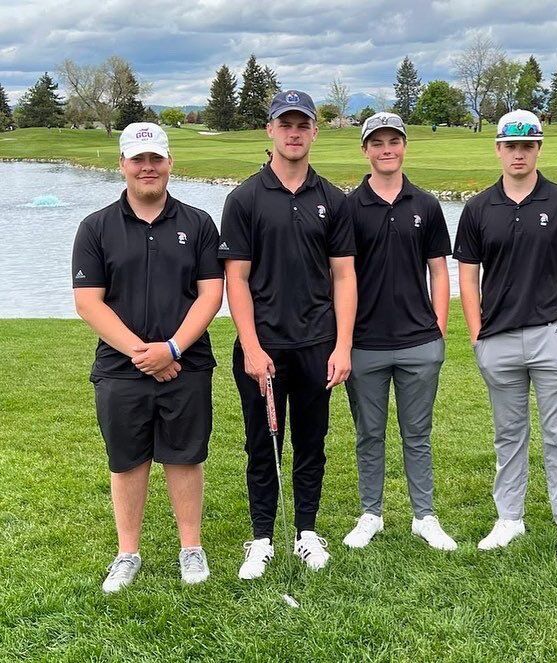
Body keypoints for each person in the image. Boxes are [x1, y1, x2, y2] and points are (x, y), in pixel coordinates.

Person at [72, 122, 224, 593]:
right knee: (127, 460)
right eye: (138, 159)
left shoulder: (198, 223)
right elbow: (88, 302)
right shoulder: (96, 227)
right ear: (122, 164)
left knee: (184, 456)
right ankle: (127, 553)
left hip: (186, 362)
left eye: (156, 158)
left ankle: (191, 548)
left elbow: (210, 294)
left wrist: (172, 348)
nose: (147, 167)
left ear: (170, 162)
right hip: (121, 367)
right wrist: (145, 354)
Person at [219, 89, 357, 578]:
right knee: (262, 444)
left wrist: (343, 345)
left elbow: (344, 275)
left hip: (318, 345)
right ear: (270, 130)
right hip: (264, 348)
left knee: (312, 442)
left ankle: (306, 532)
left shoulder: (333, 200)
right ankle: (261, 538)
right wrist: (251, 347)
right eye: (285, 124)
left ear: (314, 132)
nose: (294, 133)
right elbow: (236, 278)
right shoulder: (245, 198)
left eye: (302, 125)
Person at [454, 109, 557, 566]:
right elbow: (467, 277)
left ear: (538, 149)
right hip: (498, 338)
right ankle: (509, 518)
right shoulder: (478, 208)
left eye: (527, 146)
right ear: (498, 149)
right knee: (508, 434)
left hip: (552, 333)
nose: (519, 154)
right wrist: (477, 336)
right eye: (510, 146)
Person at [341, 112, 456, 551]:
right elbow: (340, 276)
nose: (386, 149)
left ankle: (424, 516)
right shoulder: (349, 208)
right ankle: (370, 513)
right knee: (369, 434)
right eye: (378, 143)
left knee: (417, 435)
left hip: (418, 342)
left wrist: (438, 329)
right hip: (365, 343)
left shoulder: (425, 205)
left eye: (394, 141)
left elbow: (438, 271)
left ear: (404, 146)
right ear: (365, 150)